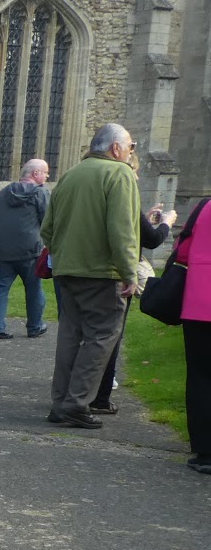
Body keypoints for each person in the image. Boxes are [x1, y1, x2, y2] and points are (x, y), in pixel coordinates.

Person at [40, 123, 140, 429]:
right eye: (130, 146)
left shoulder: (71, 174)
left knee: (70, 335)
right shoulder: (119, 174)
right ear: (115, 148)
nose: (130, 152)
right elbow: (122, 230)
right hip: (102, 272)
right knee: (102, 336)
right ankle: (76, 403)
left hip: (66, 270)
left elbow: (47, 230)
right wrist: (129, 272)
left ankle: (62, 402)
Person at [90, 202, 177, 414]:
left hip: (81, 273)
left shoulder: (92, 200)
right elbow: (152, 239)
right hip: (113, 276)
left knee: (82, 333)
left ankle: (74, 393)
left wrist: (144, 220)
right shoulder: (124, 200)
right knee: (110, 335)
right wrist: (166, 223)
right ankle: (99, 397)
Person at [0, 158, 50, 339]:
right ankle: (35, 326)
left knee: (1, 288)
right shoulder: (40, 193)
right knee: (33, 288)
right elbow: (48, 220)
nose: (47, 175)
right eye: (45, 172)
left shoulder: (4, 192)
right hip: (30, 250)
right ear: (35, 173)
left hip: (4, 249)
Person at [174, 197, 211, 473]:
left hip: (201, 302)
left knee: (200, 375)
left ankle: (205, 450)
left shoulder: (204, 207)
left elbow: (182, 251)